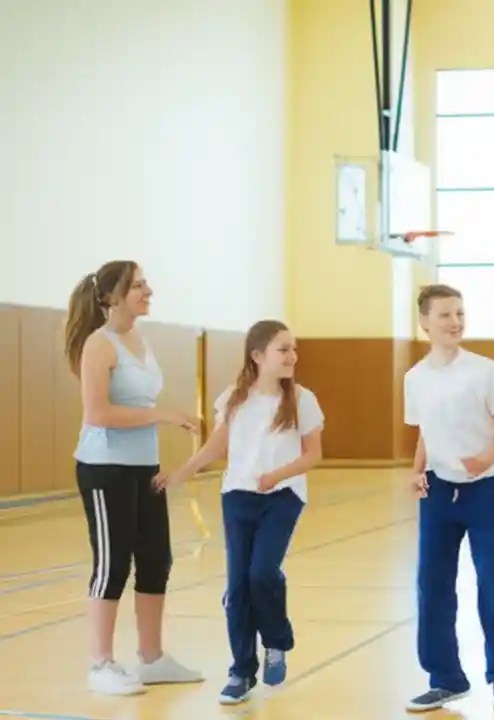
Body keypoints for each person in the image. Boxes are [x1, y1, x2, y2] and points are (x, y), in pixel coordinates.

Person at [157, 320, 324, 704]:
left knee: (262, 572)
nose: (292, 356)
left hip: (283, 496)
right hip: (238, 497)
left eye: (294, 349)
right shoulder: (235, 397)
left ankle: (277, 641)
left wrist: (276, 475)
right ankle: (241, 671)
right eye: (283, 349)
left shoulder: (302, 399)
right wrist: (182, 473)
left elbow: (314, 454)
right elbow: (217, 446)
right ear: (257, 355)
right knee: (237, 588)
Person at [63, 260, 204, 695]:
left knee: (156, 558)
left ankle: (151, 658)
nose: (148, 290)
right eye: (138, 286)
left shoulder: (140, 340)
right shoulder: (98, 345)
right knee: (112, 564)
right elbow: (98, 413)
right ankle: (100, 663)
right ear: (112, 297)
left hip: (144, 468)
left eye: (145, 283)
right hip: (105, 469)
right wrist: (161, 414)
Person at [403, 284, 494, 712]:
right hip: (438, 492)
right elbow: (424, 432)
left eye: (459, 313)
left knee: (493, 580)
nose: (455, 322)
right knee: (432, 585)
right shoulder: (414, 378)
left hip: (486, 489)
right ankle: (445, 678)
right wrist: (417, 471)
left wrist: (484, 459)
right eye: (445, 315)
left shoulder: (484, 370)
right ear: (425, 323)